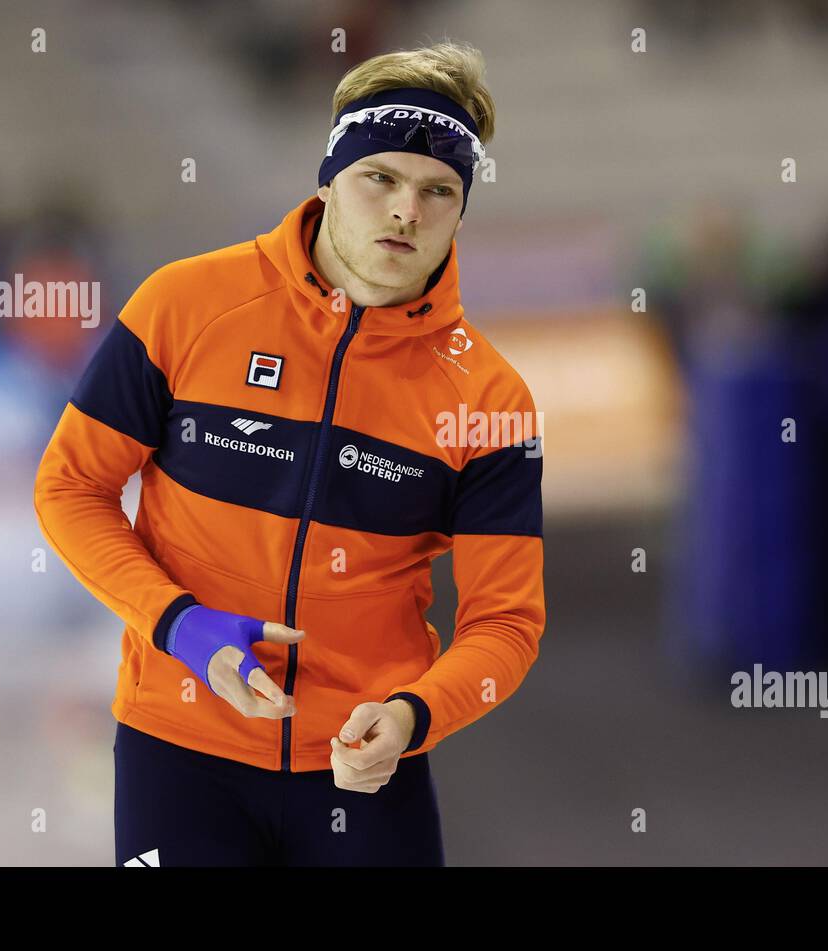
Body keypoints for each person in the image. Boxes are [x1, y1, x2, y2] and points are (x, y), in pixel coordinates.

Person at [33, 40, 545, 866]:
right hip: (179, 750)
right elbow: (70, 488)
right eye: (379, 177)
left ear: (459, 209)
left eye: (437, 190)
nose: (406, 210)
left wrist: (415, 714)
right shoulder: (185, 304)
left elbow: (506, 623)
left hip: (365, 774)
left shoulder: (489, 401)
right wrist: (181, 626)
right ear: (328, 179)